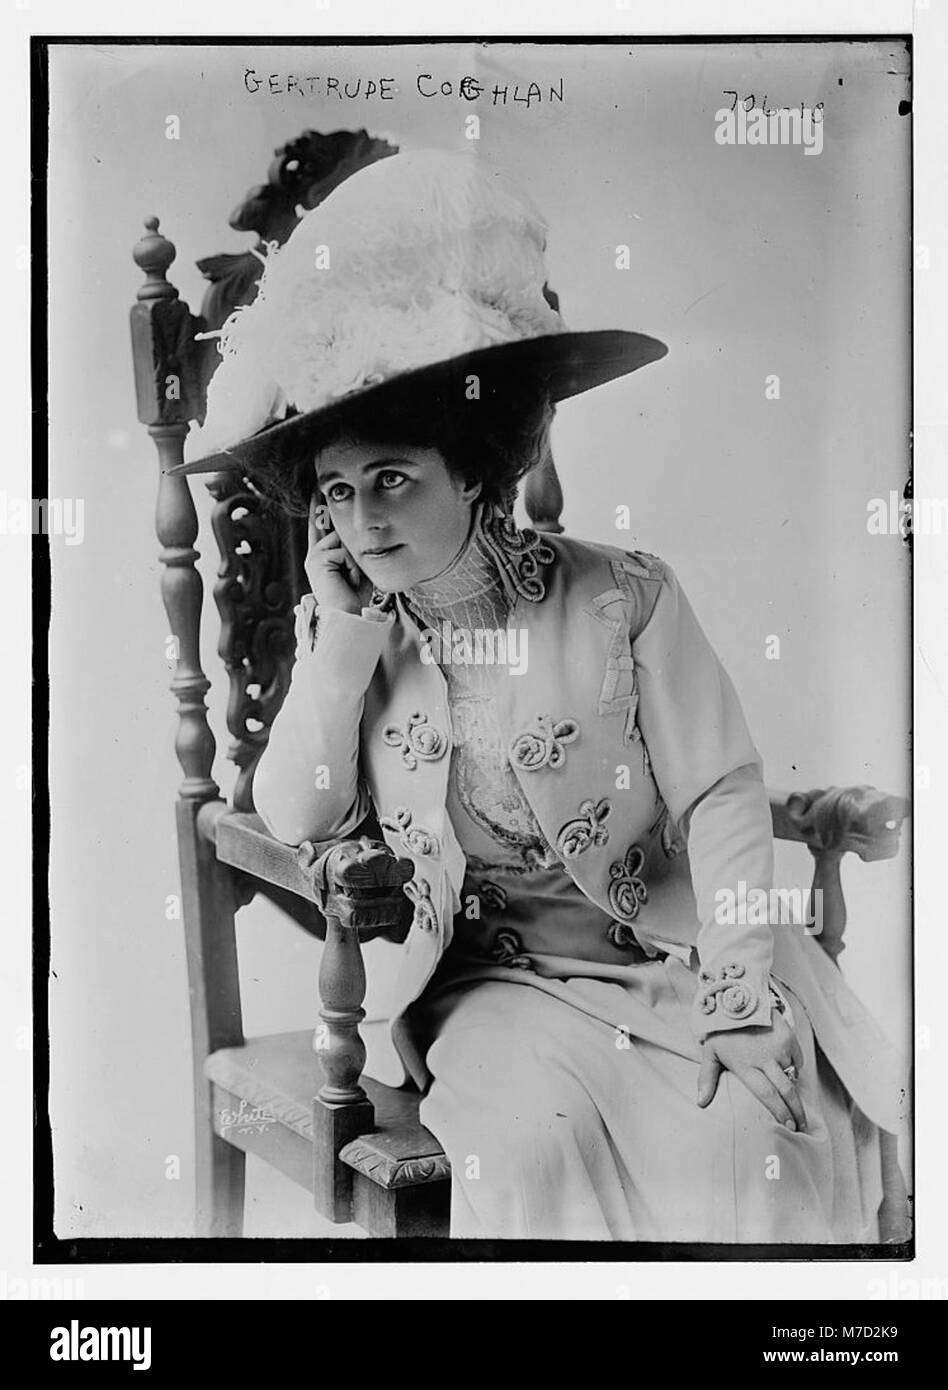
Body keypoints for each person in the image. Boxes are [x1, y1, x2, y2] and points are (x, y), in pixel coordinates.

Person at [174, 149, 909, 1242]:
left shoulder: (625, 596)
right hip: (493, 997)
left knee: (753, 1132)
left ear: (473, 464)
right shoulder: (362, 635)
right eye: (339, 490)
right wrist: (340, 651)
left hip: (676, 958)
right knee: (527, 1147)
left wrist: (743, 999)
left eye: (394, 479)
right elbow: (293, 816)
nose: (366, 520)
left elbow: (721, 793)